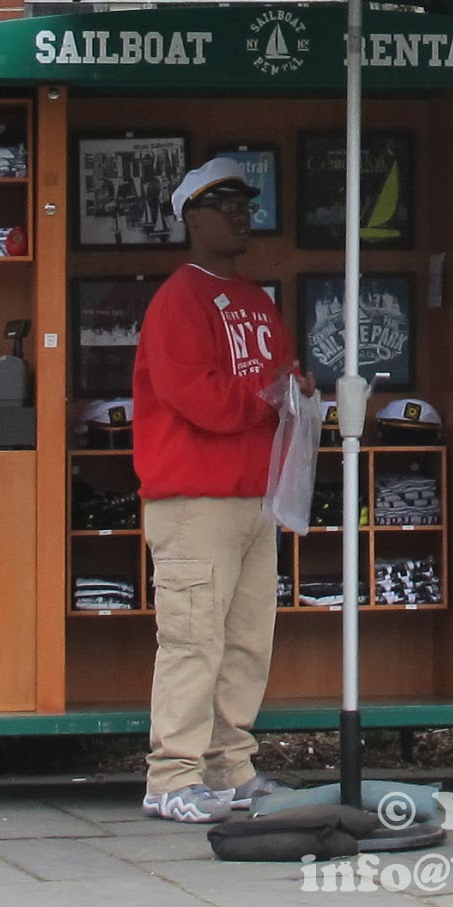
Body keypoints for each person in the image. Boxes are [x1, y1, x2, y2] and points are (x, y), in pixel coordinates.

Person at [133, 156, 316, 825]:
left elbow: (279, 377)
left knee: (245, 642)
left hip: (254, 496)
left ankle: (229, 769)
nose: (242, 216)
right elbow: (197, 396)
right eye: (226, 205)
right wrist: (270, 398)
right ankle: (171, 778)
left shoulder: (258, 300)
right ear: (192, 217)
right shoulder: (177, 299)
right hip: (195, 500)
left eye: (245, 205)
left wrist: (296, 392)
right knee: (191, 641)